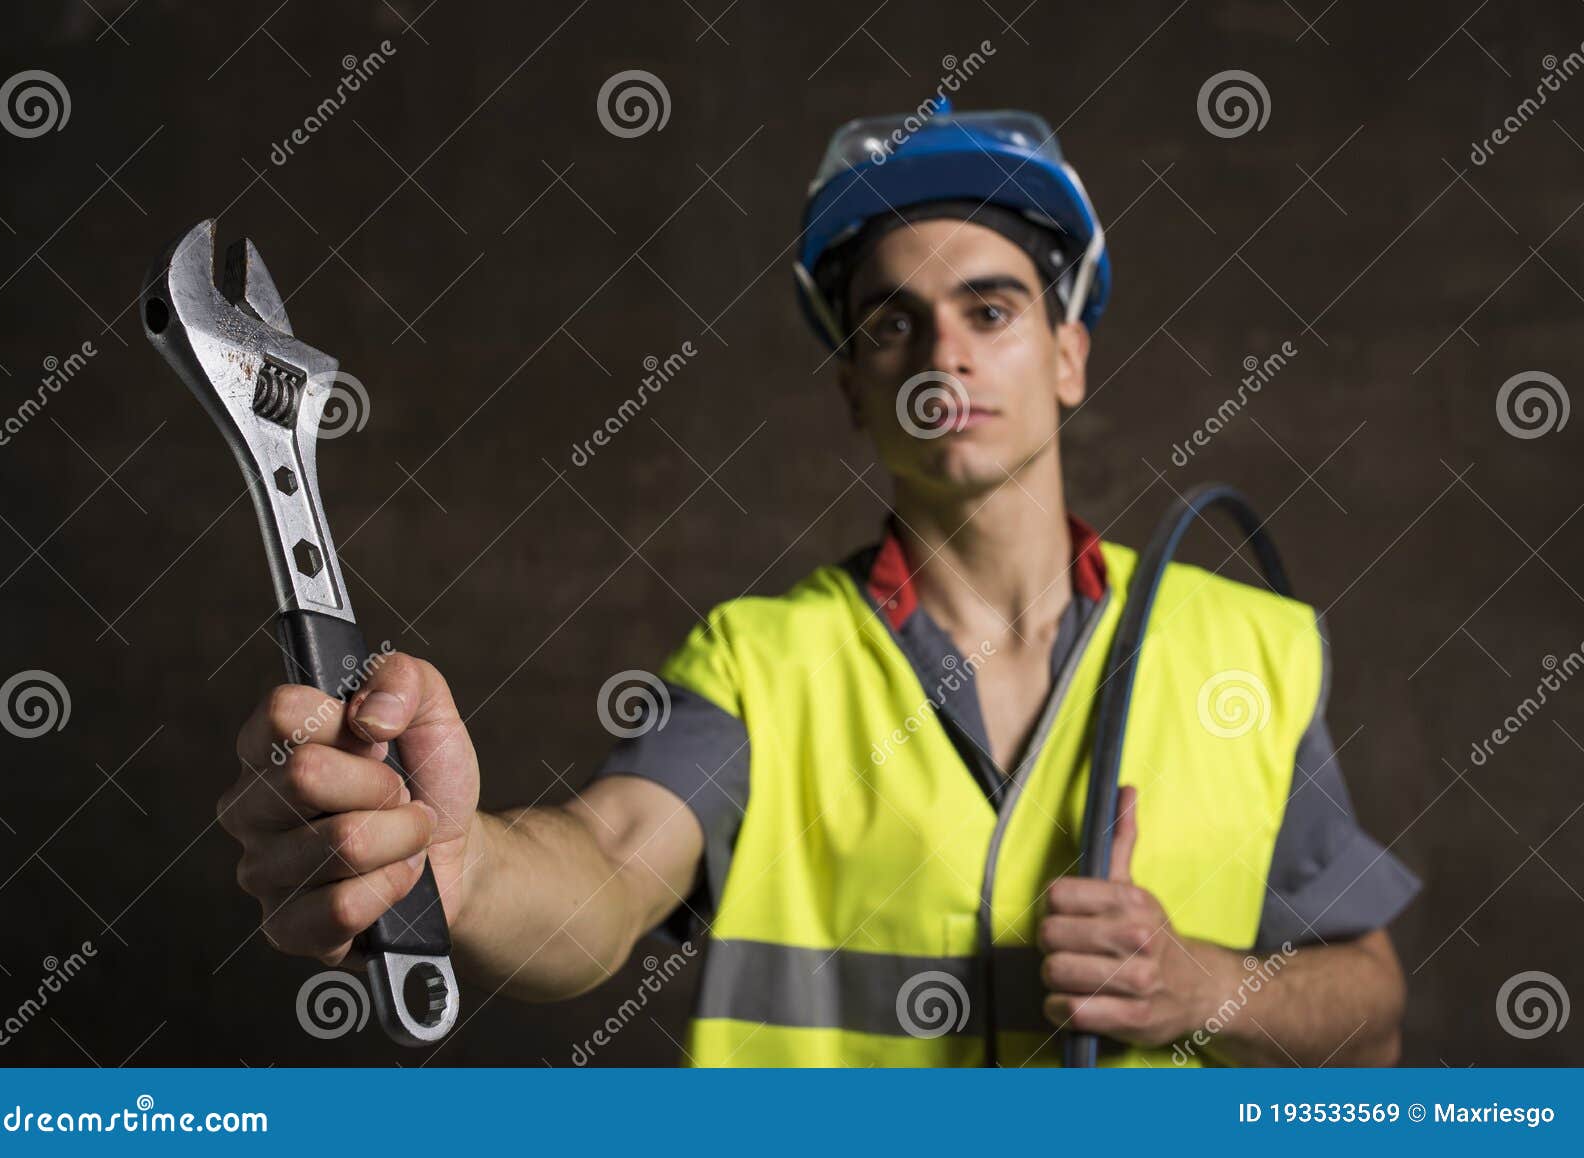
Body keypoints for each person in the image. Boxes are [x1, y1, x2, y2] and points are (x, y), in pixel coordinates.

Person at [218, 104, 1419, 1067]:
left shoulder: (1247, 649)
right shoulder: (764, 663)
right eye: (893, 324)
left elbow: (1369, 1012)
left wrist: (1205, 987)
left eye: (990, 309)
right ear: (852, 387)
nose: (943, 352)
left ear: (1066, 355)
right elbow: (610, 869)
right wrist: (466, 865)